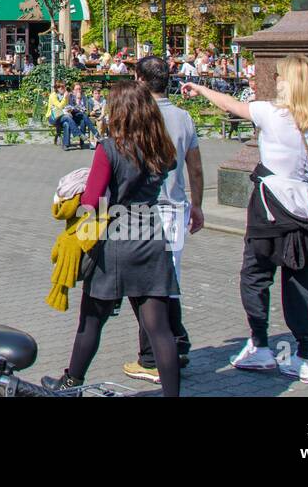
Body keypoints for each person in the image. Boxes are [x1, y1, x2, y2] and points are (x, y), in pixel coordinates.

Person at [183, 53, 308, 384]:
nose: (277, 80)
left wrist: (198, 87)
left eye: (280, 76)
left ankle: (260, 344)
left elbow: (230, 105)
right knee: (301, 282)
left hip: (270, 208)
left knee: (255, 274)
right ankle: (304, 356)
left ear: (290, 83)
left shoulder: (270, 113)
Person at [52, 81, 181, 397]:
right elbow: (172, 165)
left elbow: (92, 200)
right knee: (159, 328)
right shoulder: (161, 147)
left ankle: (71, 382)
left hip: (116, 234)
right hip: (151, 232)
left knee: (92, 319)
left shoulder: (110, 148)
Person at [122, 55, 204, 385]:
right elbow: (195, 167)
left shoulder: (136, 117)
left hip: (143, 209)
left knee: (146, 286)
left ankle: (153, 356)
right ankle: (177, 344)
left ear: (141, 80)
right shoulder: (184, 117)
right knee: (169, 280)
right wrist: (196, 205)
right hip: (175, 207)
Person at [61, 83, 92, 150]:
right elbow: (69, 108)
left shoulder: (84, 97)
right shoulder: (70, 97)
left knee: (83, 121)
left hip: (79, 117)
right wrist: (77, 104)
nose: (78, 90)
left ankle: (81, 143)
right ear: (73, 90)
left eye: (79, 89)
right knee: (67, 124)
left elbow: (86, 109)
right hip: (71, 117)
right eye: (76, 89)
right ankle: (66, 144)